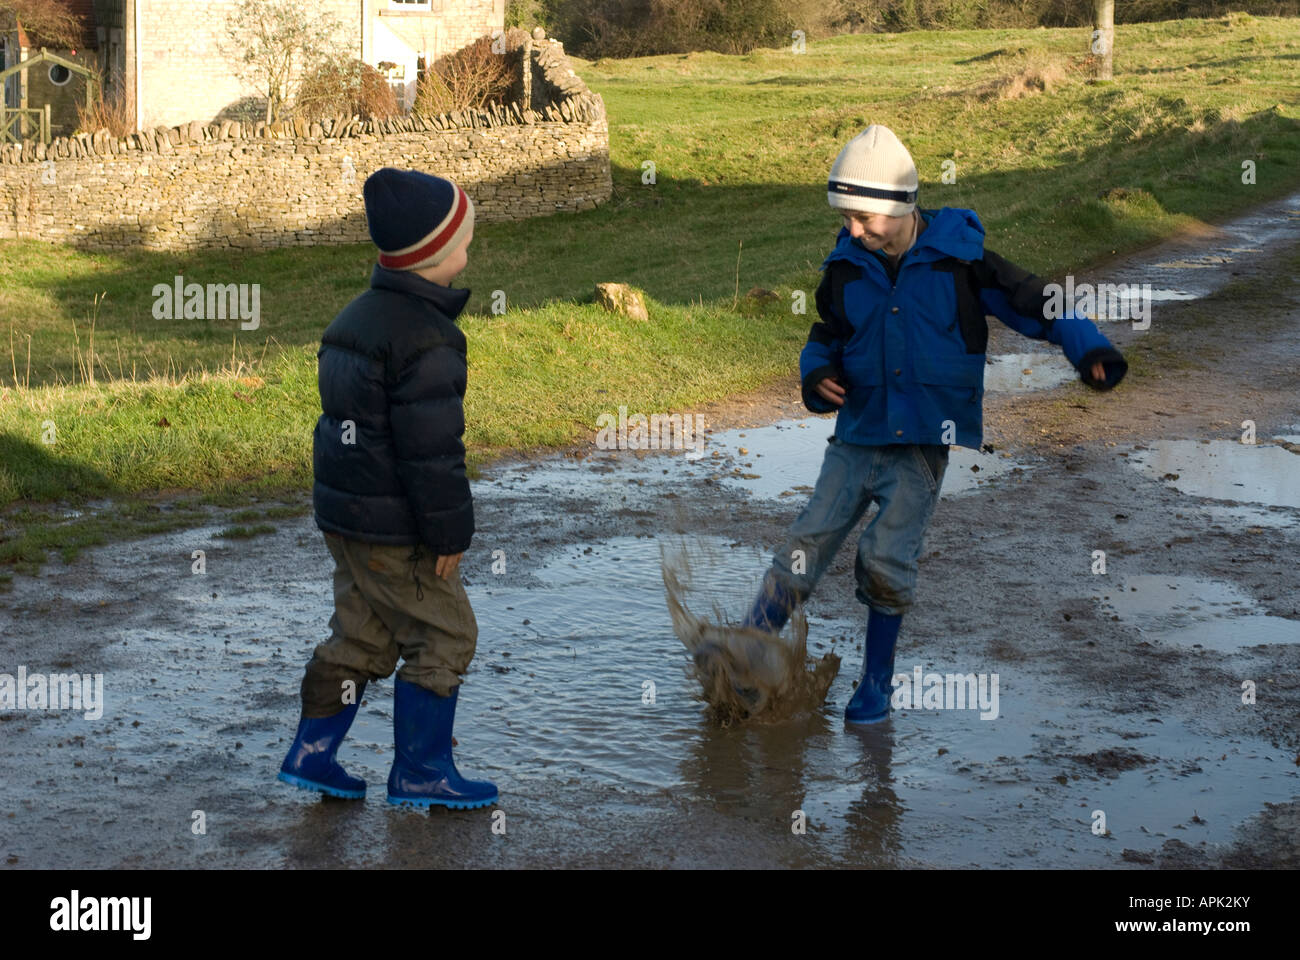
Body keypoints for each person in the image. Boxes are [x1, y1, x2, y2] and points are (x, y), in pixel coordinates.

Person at [743, 124, 1127, 724]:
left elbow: (1040, 305)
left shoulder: (962, 264)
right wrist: (816, 374)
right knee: (806, 541)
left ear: (900, 205)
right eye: (845, 218)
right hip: (857, 436)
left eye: (863, 217)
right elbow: (827, 335)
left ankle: (876, 683)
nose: (853, 230)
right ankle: (746, 653)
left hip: (924, 447)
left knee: (886, 558)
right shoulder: (845, 269)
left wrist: (1090, 348)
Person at [278, 168, 497, 809]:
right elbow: (430, 454)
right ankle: (422, 770)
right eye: (464, 242)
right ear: (434, 257)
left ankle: (311, 756)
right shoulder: (428, 339)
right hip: (397, 531)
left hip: (347, 521)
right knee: (446, 634)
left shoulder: (355, 318)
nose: (469, 252)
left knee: (362, 635)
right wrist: (451, 531)